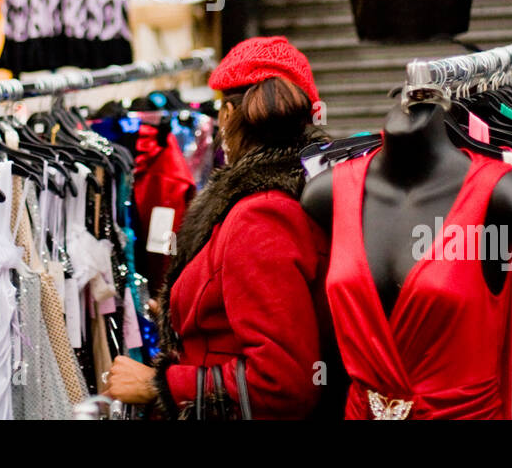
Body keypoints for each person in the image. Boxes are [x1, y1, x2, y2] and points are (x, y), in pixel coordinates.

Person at [105, 36, 339, 419]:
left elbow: (282, 380)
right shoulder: (289, 195)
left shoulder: (262, 215)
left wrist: (158, 385)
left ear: (229, 114)